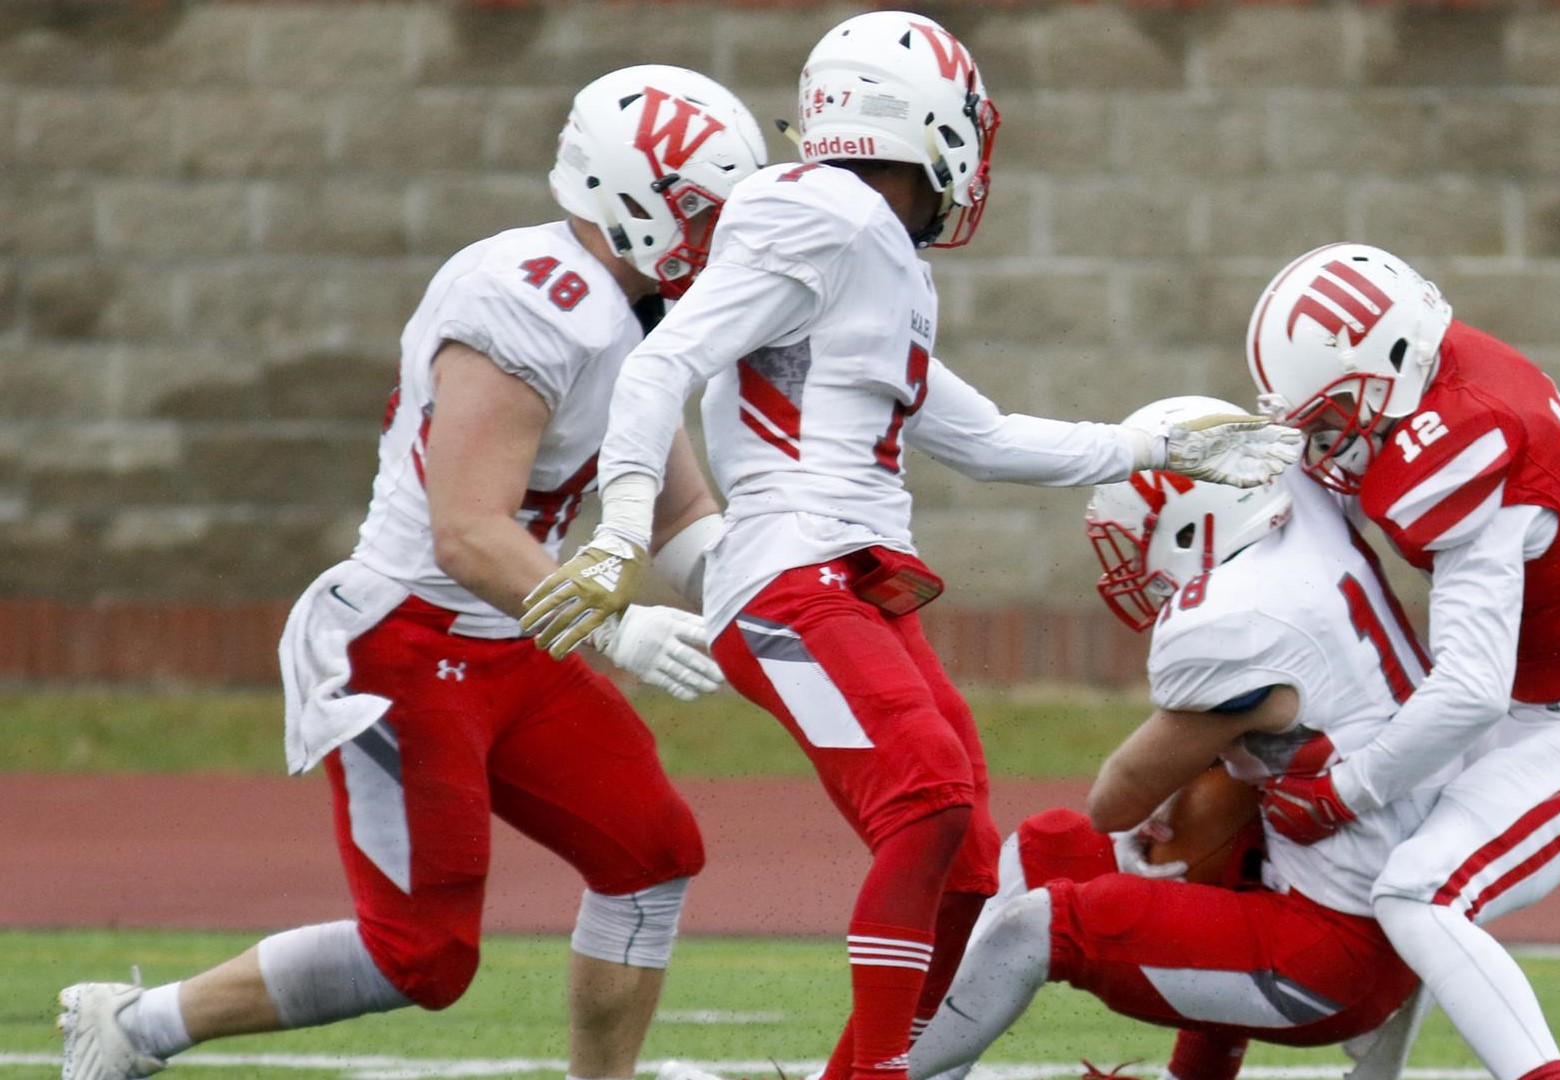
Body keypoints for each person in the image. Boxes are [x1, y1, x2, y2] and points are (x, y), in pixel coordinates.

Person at [519, 15, 1300, 1080]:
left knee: (972, 860)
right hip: (792, 584)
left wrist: (1150, 443)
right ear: (924, 124)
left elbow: (981, 438)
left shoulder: (869, 257)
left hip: (854, 585)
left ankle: (866, 1070)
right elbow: (662, 367)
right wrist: (618, 535)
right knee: (928, 802)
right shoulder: (826, 217)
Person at [57, 66, 767, 1080]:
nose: (720, 235)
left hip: (512, 640)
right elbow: (468, 533)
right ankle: (137, 1025)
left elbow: (680, 509)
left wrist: (774, 604)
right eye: (702, 209)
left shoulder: (639, 312)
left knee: (650, 856)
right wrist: (619, 630)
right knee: (424, 957)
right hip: (406, 642)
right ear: (629, 196)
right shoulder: (538, 299)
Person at [1246, 243, 1560, 1080]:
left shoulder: (1465, 446)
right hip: (1543, 699)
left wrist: (1345, 792)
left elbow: (1467, 691)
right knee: (1389, 862)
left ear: (1390, 365)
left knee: (1418, 888)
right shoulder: (1439, 366)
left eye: (1327, 418)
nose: (1324, 444)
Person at [908, 397, 1446, 1080]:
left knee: (1038, 926)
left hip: (1333, 954)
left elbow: (1116, 801)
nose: (1133, 565)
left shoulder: (1240, 619)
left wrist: (1182, 788)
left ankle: (877, 1074)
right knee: (1052, 844)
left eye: (1140, 541)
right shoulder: (1304, 525)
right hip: (1379, 901)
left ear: (1196, 525)